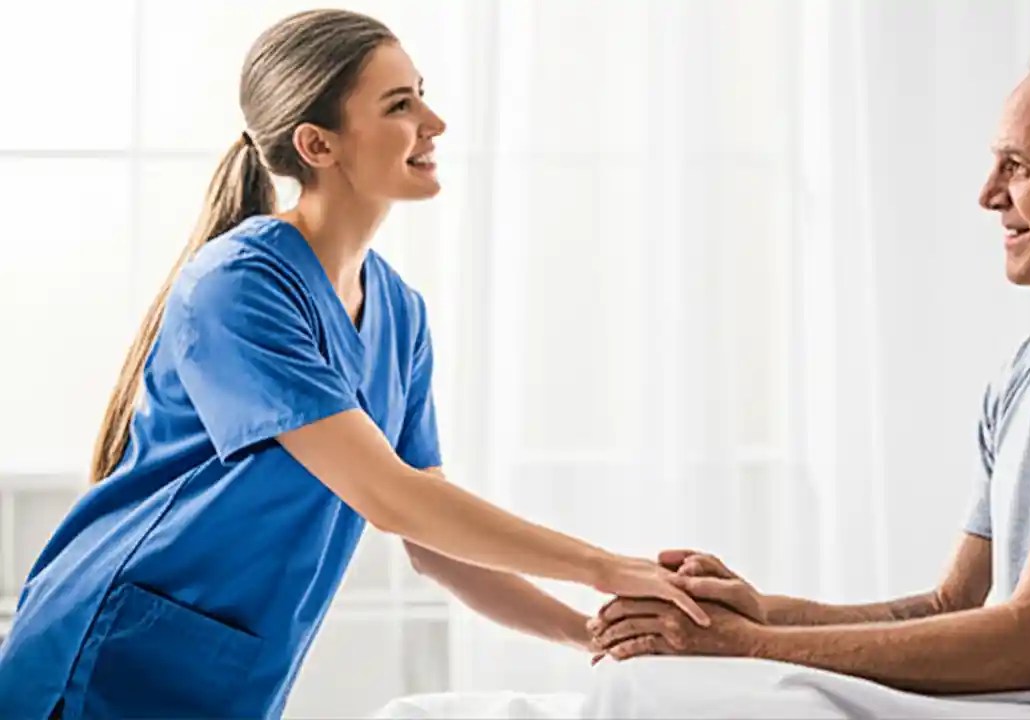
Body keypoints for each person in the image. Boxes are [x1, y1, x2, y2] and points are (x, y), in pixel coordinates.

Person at [379, 38, 1030, 720]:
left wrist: (744, 643)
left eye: (1017, 166)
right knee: (658, 687)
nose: (987, 195)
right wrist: (757, 613)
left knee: (737, 699)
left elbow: (1029, 639)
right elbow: (947, 604)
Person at [0, 10, 706, 720]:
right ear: (317, 143)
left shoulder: (400, 313)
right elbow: (387, 495)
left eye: (421, 94)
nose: (434, 121)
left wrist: (592, 633)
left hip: (225, 669)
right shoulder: (241, 285)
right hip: (111, 653)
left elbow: (433, 545)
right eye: (400, 104)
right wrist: (601, 567)